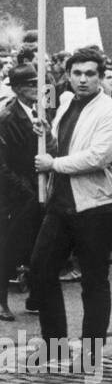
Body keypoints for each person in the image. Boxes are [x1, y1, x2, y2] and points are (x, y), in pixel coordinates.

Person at [30, 48, 112, 370]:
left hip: (96, 205)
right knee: (41, 270)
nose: (83, 79)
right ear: (68, 75)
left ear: (100, 77)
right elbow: (66, 147)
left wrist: (53, 162)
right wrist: (48, 138)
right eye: (77, 73)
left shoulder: (111, 111)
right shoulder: (68, 103)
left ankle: (91, 352)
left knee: (94, 280)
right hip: (62, 202)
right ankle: (55, 345)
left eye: (89, 74)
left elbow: (98, 156)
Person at [0, 64, 42, 322]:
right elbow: (2, 165)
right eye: (29, 83)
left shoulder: (40, 111)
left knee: (37, 247)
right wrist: (25, 188)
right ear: (16, 88)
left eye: (37, 82)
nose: (35, 87)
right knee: (8, 249)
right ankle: (1, 300)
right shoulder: (7, 118)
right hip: (14, 196)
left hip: (37, 191)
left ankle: (36, 296)